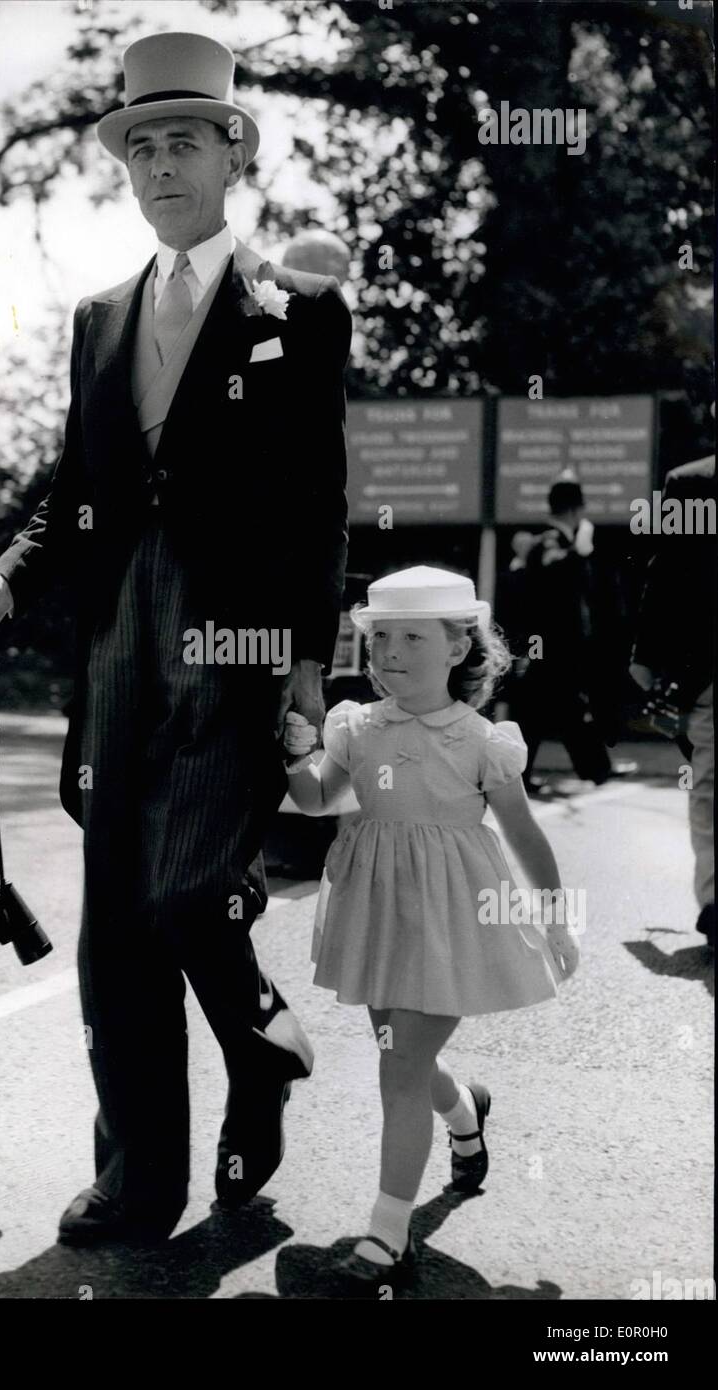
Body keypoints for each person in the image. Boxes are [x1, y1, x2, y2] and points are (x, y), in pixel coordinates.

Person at [0, 31, 351, 1244]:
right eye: (142, 146)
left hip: (237, 637)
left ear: (233, 153)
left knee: (186, 889)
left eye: (186, 140)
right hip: (120, 635)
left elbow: (319, 501)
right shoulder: (99, 317)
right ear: (125, 168)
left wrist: (309, 671)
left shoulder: (299, 308)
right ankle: (137, 1178)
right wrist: (6, 580)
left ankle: (259, 1040)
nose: (162, 163)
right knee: (119, 908)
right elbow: (75, 490)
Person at [282, 566, 579, 1289]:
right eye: (380, 636)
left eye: (412, 636)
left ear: (457, 647)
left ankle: (388, 1237)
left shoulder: (482, 741)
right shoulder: (356, 727)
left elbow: (526, 838)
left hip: (452, 919)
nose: (390, 651)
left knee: (400, 1064)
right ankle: (465, 1113)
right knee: (402, 1054)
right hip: (376, 911)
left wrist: (554, 920)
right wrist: (294, 753)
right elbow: (320, 799)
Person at [630, 448, 716, 948]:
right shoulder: (688, 481)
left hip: (707, 667)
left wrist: (645, 654)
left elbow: (667, 569)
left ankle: (715, 903)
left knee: (709, 790)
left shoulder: (691, 481)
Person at [509, 476, 632, 792]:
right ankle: (592, 771)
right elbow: (556, 572)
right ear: (577, 509)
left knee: (563, 711)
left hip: (557, 648)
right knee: (551, 713)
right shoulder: (550, 542)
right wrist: (580, 550)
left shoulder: (553, 542)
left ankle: (593, 770)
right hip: (552, 647)